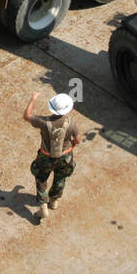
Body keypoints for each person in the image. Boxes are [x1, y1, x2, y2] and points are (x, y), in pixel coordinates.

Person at [23, 91, 82, 219]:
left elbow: (27, 116)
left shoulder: (43, 122)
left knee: (41, 178)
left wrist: (33, 99)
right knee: (60, 178)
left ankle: (43, 205)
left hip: (46, 157)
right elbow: (78, 139)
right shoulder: (71, 123)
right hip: (65, 156)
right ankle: (54, 200)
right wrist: (72, 145)